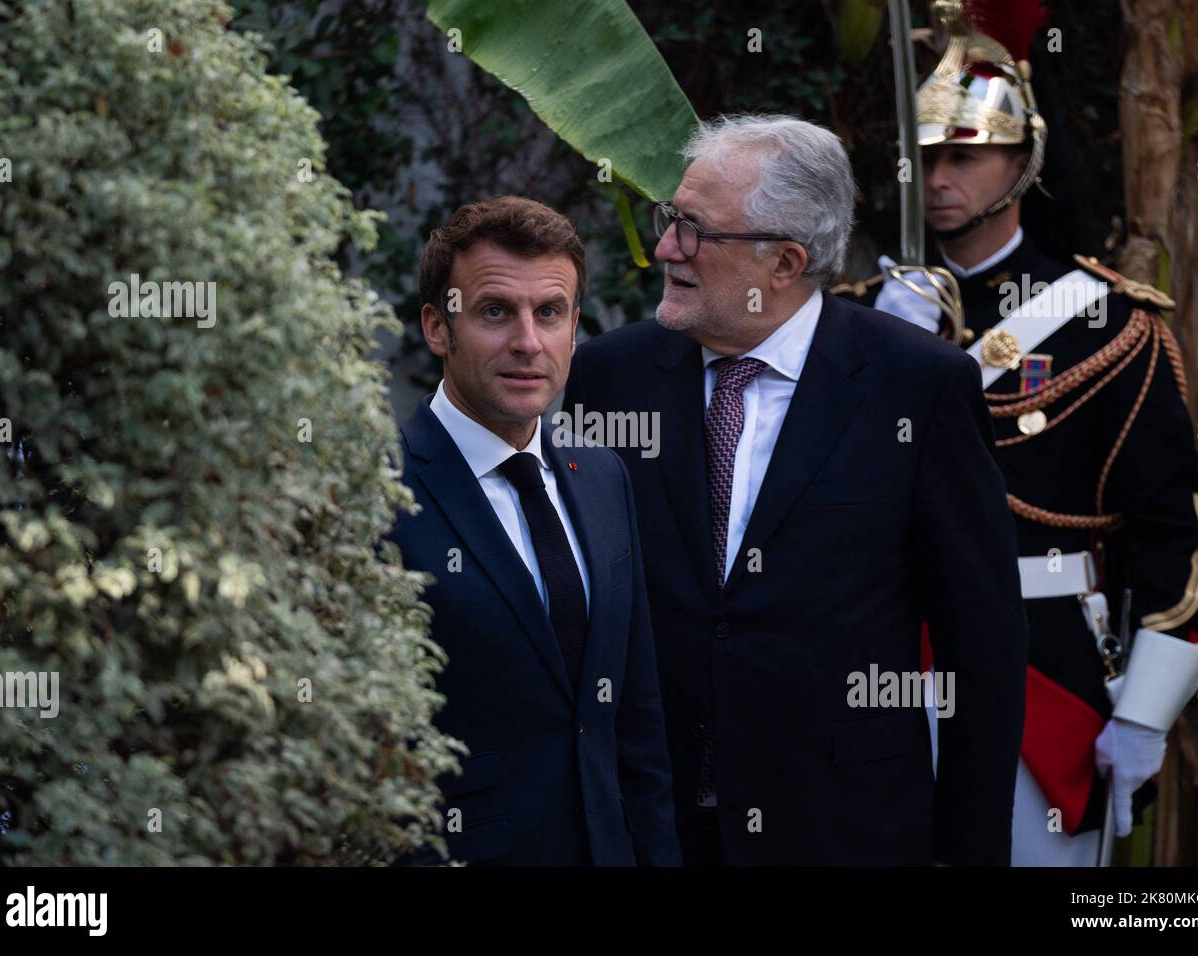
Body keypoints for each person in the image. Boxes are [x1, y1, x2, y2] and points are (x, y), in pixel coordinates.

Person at [563, 114, 1029, 866]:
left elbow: (983, 647)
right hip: (652, 828)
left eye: (694, 231)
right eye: (670, 220)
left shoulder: (917, 385)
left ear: (784, 262)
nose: (665, 249)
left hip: (846, 831)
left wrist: (969, 852)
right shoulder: (610, 376)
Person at [834, 0, 1198, 865]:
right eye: (927, 155)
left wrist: (1144, 713)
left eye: (965, 156)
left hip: (1042, 671)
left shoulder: (1110, 323)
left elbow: (1174, 530)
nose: (939, 178)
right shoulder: (855, 321)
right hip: (878, 657)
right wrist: (862, 355)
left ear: (1024, 159)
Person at [388, 196, 681, 866]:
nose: (528, 341)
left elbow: (637, 725)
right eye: (496, 312)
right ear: (439, 326)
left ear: (574, 327)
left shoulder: (603, 477)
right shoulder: (377, 492)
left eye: (549, 313)